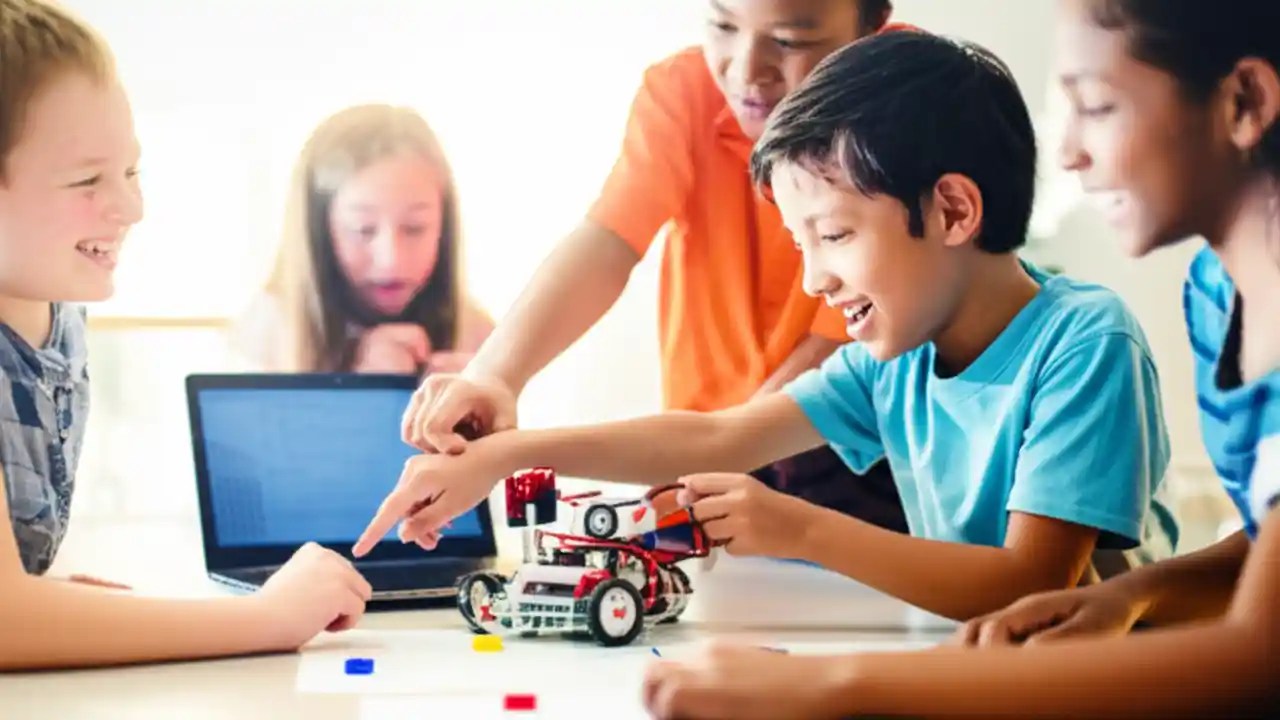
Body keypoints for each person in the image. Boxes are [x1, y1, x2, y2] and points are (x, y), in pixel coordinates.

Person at [355, 31, 1179, 626]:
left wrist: (800, 528)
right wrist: (506, 453)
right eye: (800, 243)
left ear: (955, 209)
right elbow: (715, 437)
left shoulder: (1084, 344)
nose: (816, 278)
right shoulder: (891, 363)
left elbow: (1030, 584)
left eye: (836, 235)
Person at [642, 1, 1280, 717]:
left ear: (1245, 101)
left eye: (1097, 106)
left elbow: (1258, 652)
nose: (1066, 153)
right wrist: (1131, 595)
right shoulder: (1217, 296)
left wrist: (828, 684)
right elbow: (1265, 556)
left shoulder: (1087, 336)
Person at [397, 0, 910, 530]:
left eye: (789, 40)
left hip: (851, 448)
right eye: (723, 26)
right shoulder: (683, 90)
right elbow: (608, 239)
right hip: (710, 446)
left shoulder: (918, 98)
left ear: (871, 28)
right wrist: (493, 375)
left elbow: (838, 341)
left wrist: (732, 442)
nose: (745, 70)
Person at [0, 0, 370, 670]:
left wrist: (52, 607)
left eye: (131, 171)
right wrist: (266, 617)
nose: (132, 209)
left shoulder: (58, 315)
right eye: (88, 180)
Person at [234, 104, 492, 375]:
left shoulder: (478, 336)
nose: (391, 261)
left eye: (415, 228)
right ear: (319, 232)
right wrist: (360, 386)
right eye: (363, 229)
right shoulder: (268, 332)